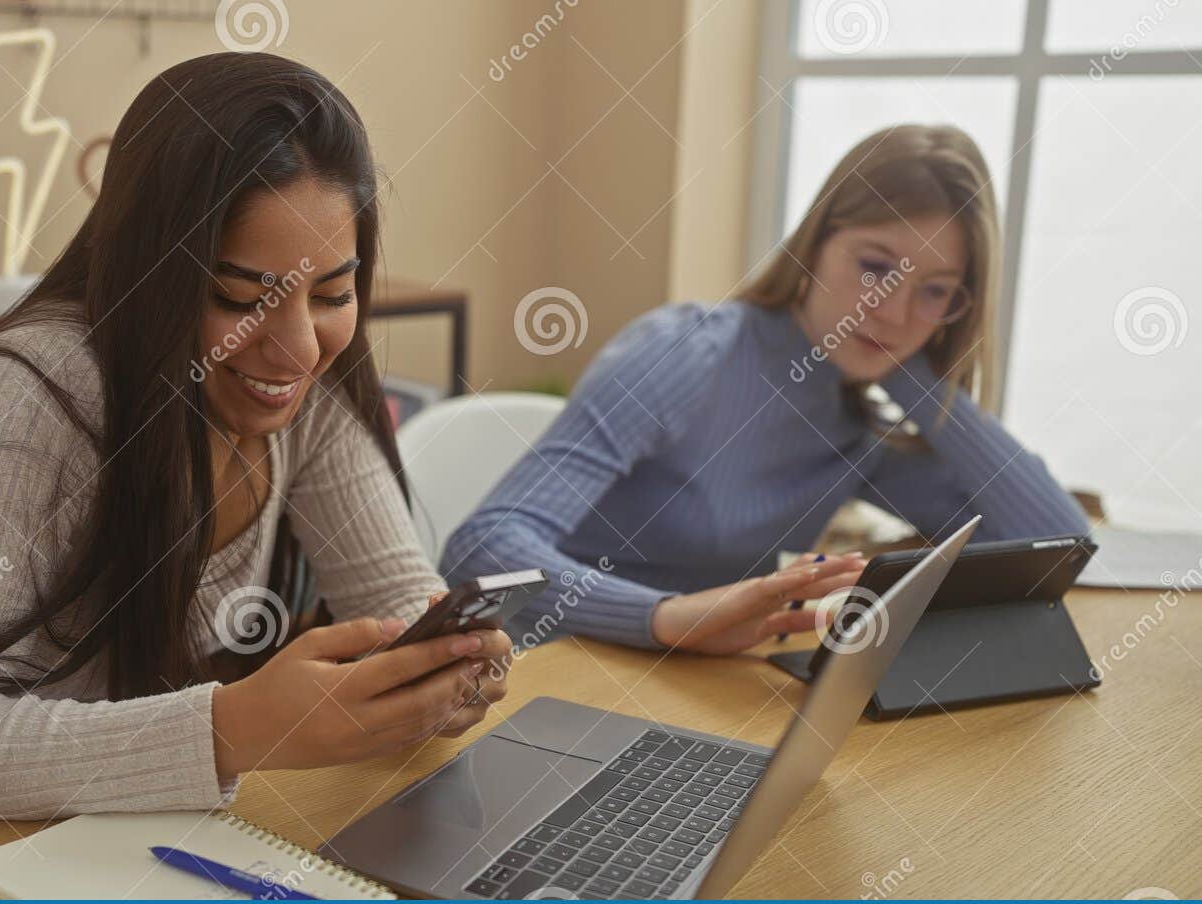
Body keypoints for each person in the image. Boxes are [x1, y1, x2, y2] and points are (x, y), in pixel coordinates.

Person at [0, 53, 511, 883]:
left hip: (88, 831)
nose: (297, 346)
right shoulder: (23, 398)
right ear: (152, 268)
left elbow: (394, 601)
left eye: (332, 294)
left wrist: (439, 675)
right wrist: (235, 728)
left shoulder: (306, 395)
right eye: (240, 296)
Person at [443, 124, 1088, 655]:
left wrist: (917, 378)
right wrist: (666, 617)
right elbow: (482, 552)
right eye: (875, 268)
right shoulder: (687, 352)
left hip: (685, 682)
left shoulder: (859, 418)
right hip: (547, 669)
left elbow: (1056, 545)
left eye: (935, 290)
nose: (894, 311)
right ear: (813, 244)